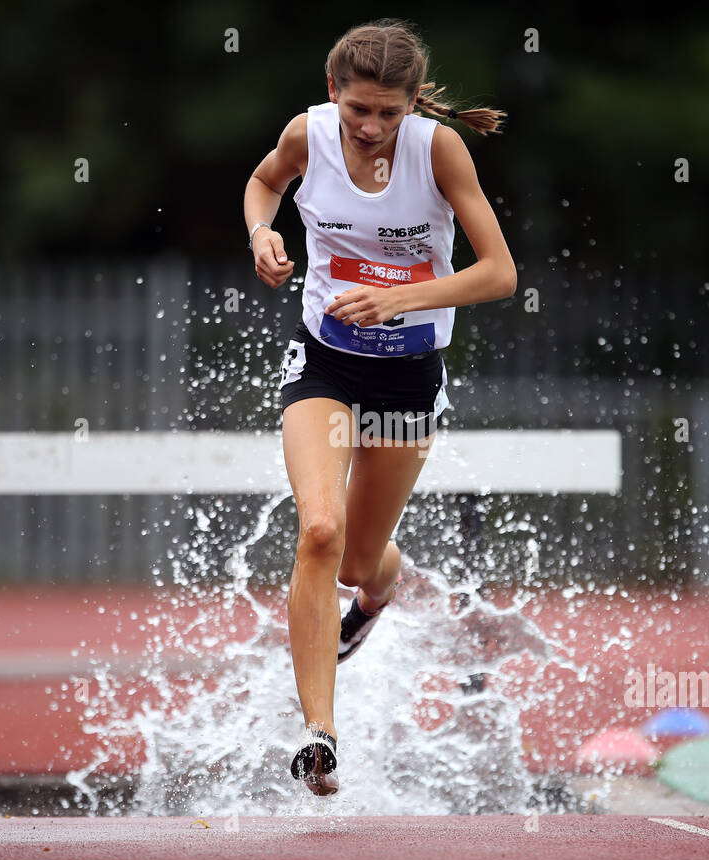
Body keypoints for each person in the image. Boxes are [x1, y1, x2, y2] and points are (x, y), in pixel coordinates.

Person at [243, 19, 516, 794]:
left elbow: (499, 273)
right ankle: (319, 734)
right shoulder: (309, 134)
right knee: (320, 529)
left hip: (408, 377)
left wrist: (402, 296)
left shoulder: (438, 150)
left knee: (361, 561)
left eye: (388, 114)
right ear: (334, 92)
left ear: (411, 108)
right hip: (324, 363)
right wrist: (262, 232)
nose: (370, 129)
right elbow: (264, 182)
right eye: (359, 109)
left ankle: (381, 588)